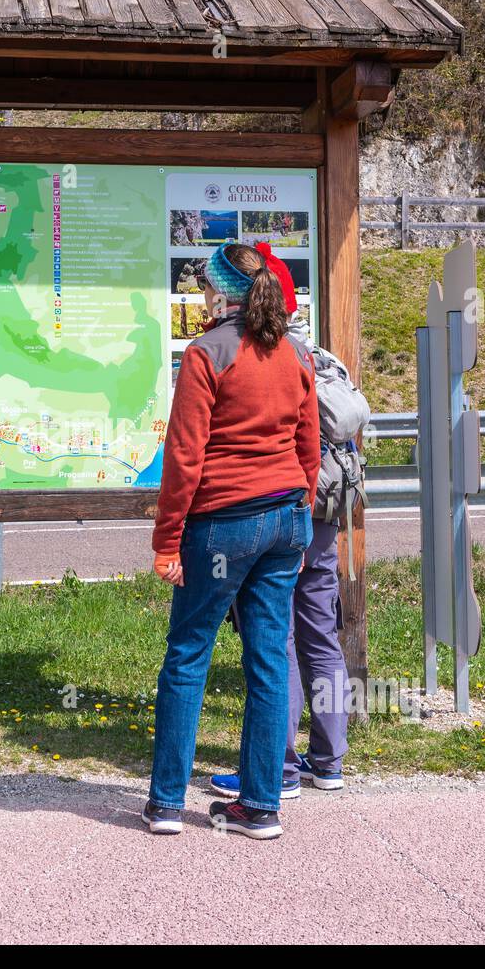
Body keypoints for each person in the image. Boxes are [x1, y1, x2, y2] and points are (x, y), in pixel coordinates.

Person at [143, 241, 320, 840]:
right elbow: (309, 445)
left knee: (188, 654)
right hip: (286, 517)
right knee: (269, 659)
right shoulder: (295, 352)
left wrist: (167, 540)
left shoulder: (206, 352)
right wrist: (302, 510)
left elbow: (185, 456)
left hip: (223, 521)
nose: (202, 296)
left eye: (205, 287)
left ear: (221, 293)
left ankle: (167, 804)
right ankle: (260, 807)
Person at [209, 285, 369, 804]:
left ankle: (277, 767)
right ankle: (329, 763)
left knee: (276, 640)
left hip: (283, 512)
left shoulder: (273, 355)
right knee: (321, 636)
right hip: (324, 516)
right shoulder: (323, 358)